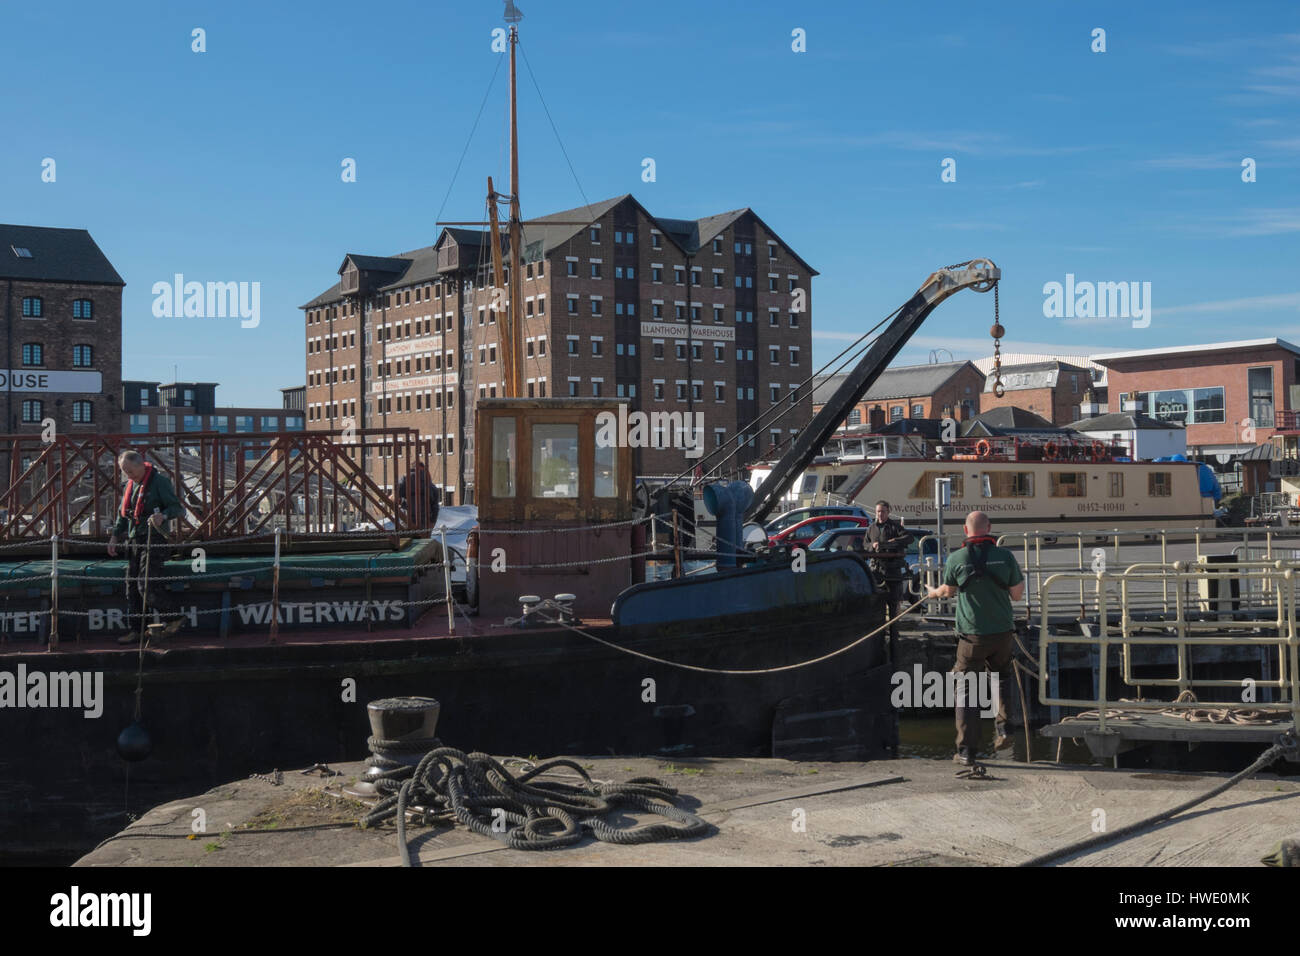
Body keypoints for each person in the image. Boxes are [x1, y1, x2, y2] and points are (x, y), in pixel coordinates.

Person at [927, 510, 1025, 765]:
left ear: (965, 529)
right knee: (1002, 678)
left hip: (972, 636)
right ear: (989, 527)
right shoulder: (1005, 556)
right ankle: (1005, 728)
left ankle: (967, 751)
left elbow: (948, 591)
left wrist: (933, 593)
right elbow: (1017, 595)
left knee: (966, 690)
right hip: (1003, 632)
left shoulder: (957, 558)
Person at [107, 451, 185, 645]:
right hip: (135, 540)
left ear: (141, 465)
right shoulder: (130, 486)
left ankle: (174, 617)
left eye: (130, 470)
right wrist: (115, 536)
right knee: (132, 587)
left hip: (154, 538)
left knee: (146, 585)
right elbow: (123, 515)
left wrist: (163, 516)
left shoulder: (160, 482)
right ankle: (138, 630)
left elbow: (177, 508)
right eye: (124, 472)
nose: (128, 475)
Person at [865, 500, 913, 647]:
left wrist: (894, 541)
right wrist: (873, 546)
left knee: (893, 608)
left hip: (893, 574)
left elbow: (909, 538)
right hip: (877, 574)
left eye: (883, 511)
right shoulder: (871, 528)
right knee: (877, 608)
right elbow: (864, 545)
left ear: (888, 512)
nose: (880, 514)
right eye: (878, 511)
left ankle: (894, 636)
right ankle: (879, 637)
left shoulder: (895, 527)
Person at [397, 461, 440, 529]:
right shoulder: (428, 482)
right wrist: (432, 522)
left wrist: (401, 503)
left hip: (406, 519)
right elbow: (435, 507)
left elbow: (396, 495)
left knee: (406, 537)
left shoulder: (405, 479)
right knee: (423, 538)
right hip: (424, 521)